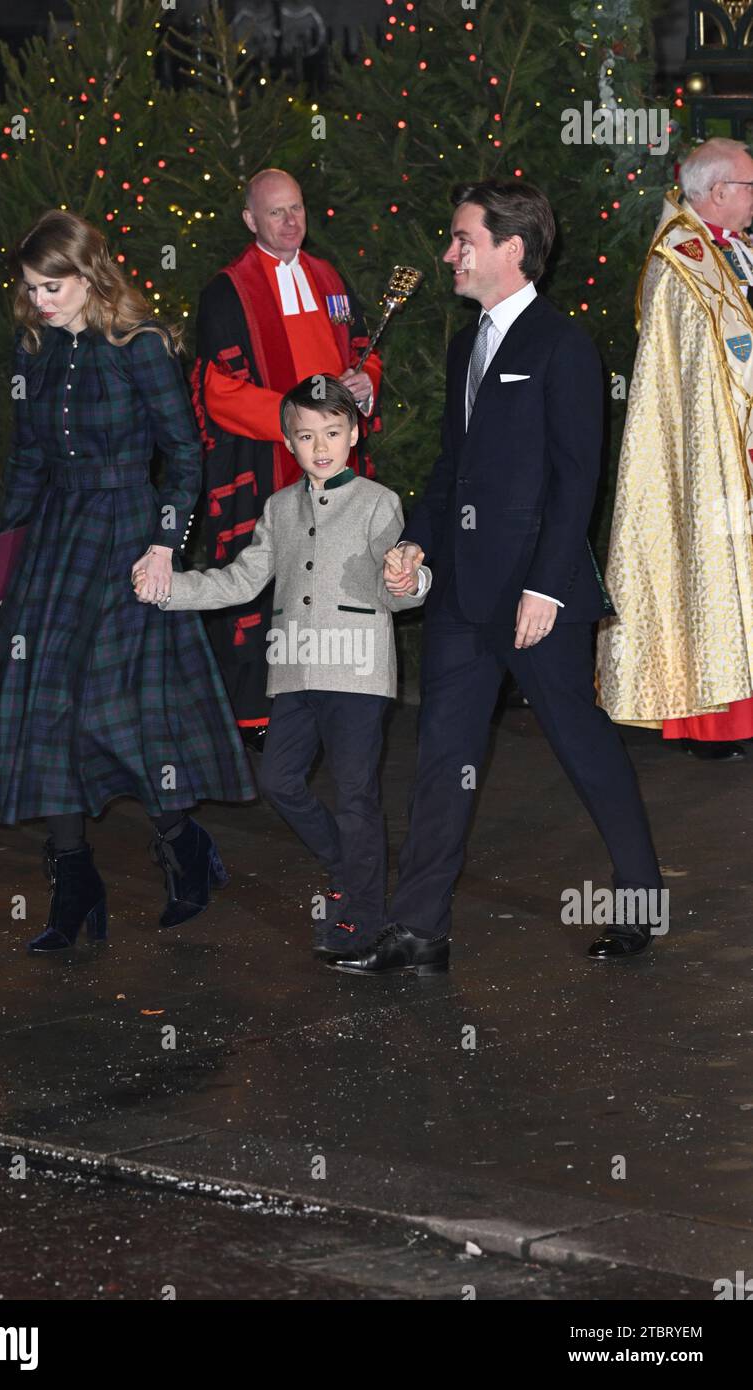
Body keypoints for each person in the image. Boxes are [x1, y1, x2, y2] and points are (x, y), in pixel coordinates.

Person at [327, 180, 663, 977]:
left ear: (511, 249)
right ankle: (419, 931)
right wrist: (415, 540)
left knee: (584, 749)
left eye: (461, 239)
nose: (449, 252)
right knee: (443, 753)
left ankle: (641, 899)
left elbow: (579, 478)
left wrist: (546, 590)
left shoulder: (563, 345)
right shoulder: (464, 344)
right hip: (462, 592)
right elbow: (454, 467)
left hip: (537, 597)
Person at [0, 209, 255, 953]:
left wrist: (165, 544)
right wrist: (7, 550)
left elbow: (185, 458)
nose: (39, 301)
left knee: (119, 708)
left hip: (129, 536)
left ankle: (185, 846)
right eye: (30, 288)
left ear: (91, 276)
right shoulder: (31, 350)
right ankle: (74, 879)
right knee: (44, 705)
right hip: (59, 540)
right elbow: (27, 458)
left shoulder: (142, 347)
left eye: (52, 286)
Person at [137, 375, 429, 956]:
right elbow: (243, 579)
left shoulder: (378, 503)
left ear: (353, 434)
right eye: (305, 436)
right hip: (295, 672)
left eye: (332, 432)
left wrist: (408, 578)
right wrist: (171, 589)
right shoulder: (278, 508)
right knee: (278, 780)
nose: (320, 446)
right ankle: (347, 865)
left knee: (355, 795)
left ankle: (364, 916)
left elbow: (402, 585)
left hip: (357, 674)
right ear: (288, 443)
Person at [191, 168, 383, 750]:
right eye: (275, 212)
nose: (290, 221)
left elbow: (361, 355)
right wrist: (298, 425)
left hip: (331, 466)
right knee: (266, 580)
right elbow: (215, 389)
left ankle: (330, 696)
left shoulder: (329, 278)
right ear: (251, 220)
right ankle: (257, 711)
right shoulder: (228, 290)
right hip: (265, 462)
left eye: (297, 208)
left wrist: (367, 381)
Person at [595, 138, 753, 763]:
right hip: (712, 452)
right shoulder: (680, 261)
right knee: (710, 570)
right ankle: (714, 722)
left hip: (741, 438)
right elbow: (689, 379)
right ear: (718, 193)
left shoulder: (734, 247)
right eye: (749, 186)